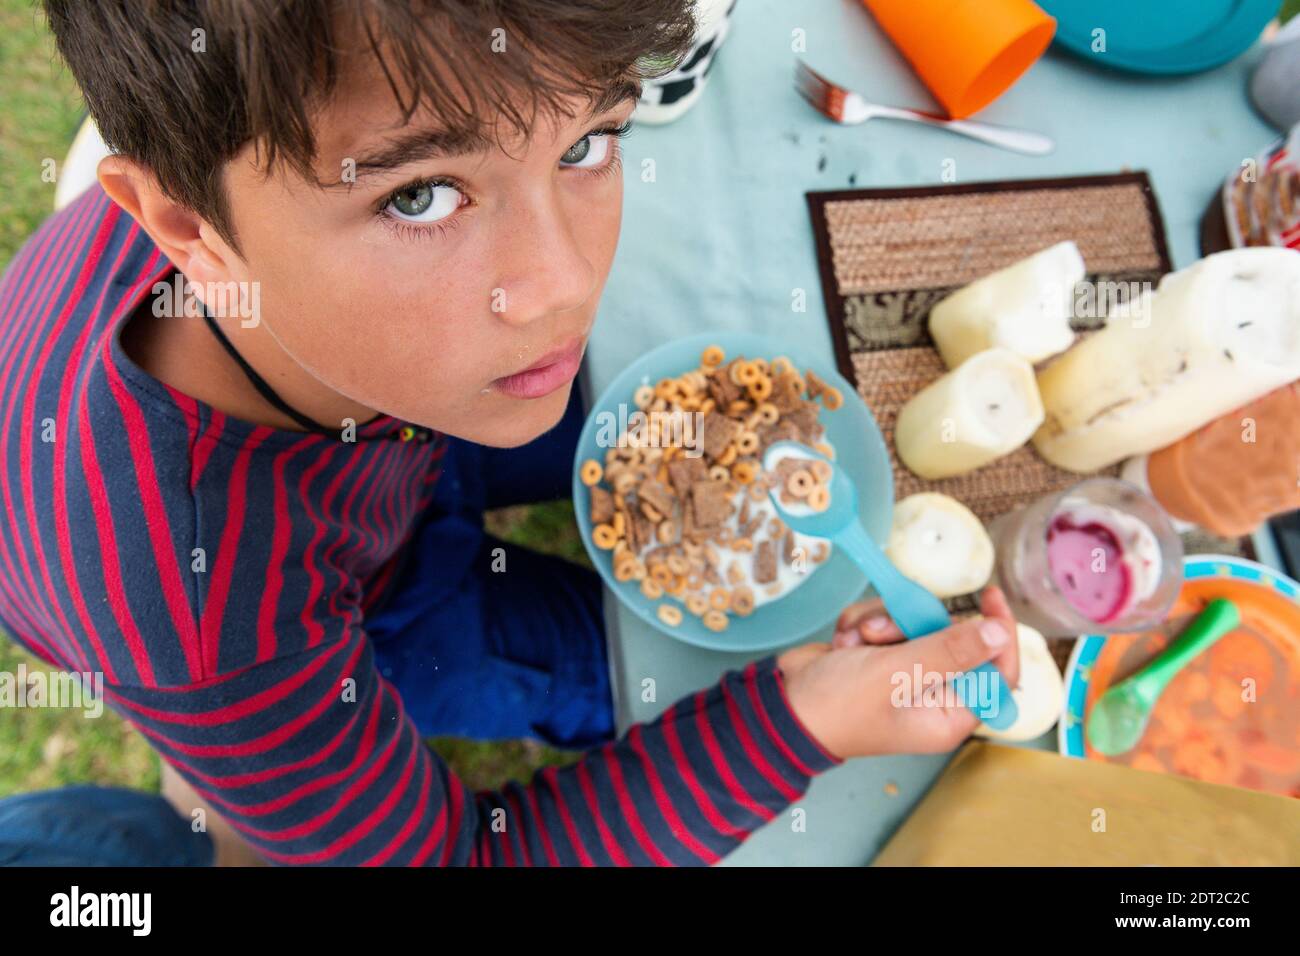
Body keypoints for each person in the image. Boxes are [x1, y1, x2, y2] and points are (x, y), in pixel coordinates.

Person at [0, 0, 1019, 866]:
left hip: (373, 422)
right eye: (418, 195)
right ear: (187, 232)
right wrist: (805, 718)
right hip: (344, 587)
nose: (566, 286)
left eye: (587, 142)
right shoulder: (211, 627)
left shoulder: (293, 248)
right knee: (622, 666)